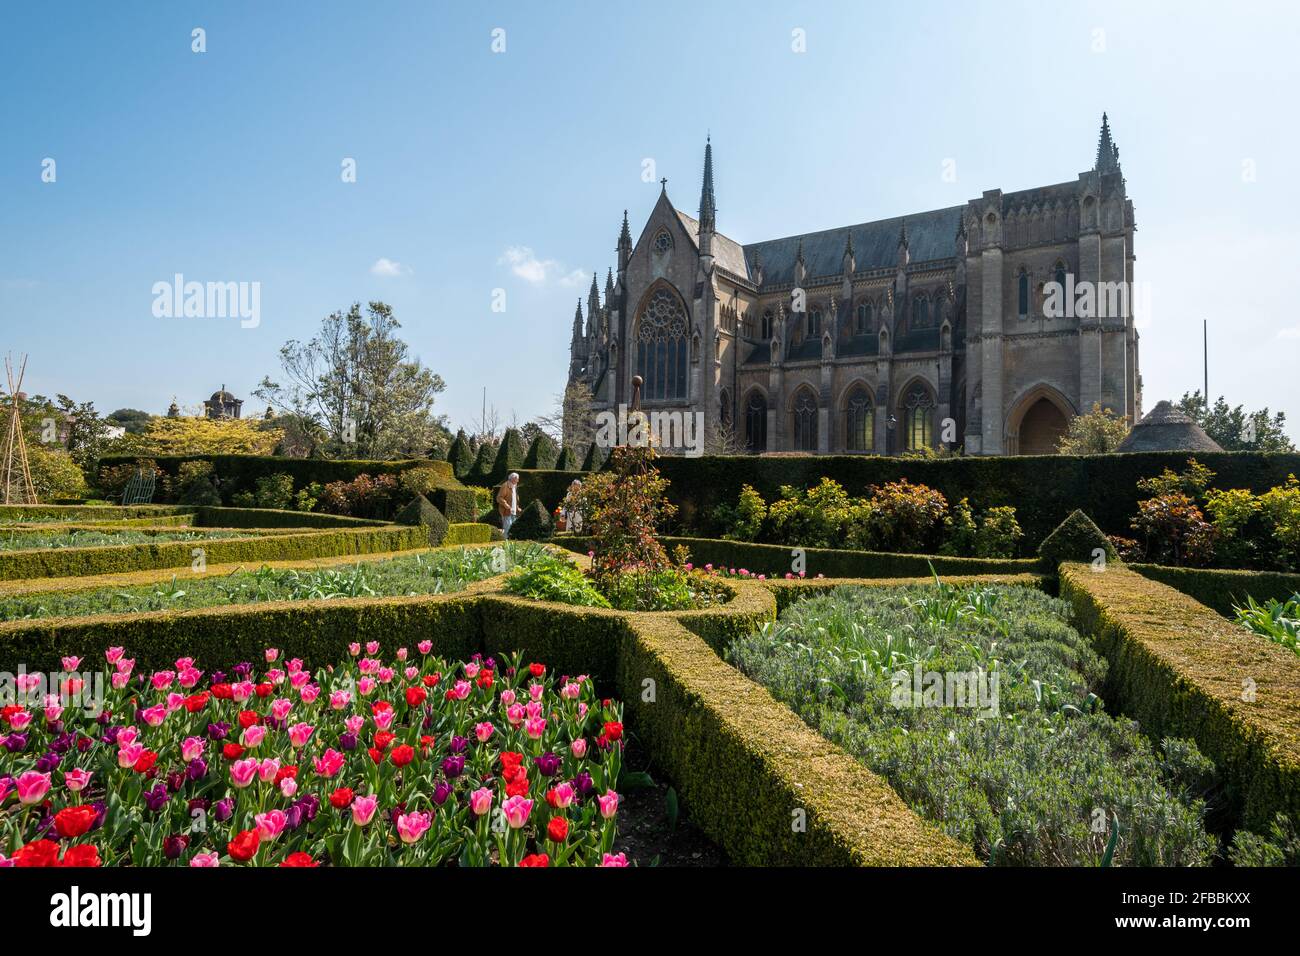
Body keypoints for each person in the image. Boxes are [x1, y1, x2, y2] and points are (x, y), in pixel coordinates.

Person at [496, 472, 522, 539]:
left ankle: (511, 541)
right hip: (506, 511)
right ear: (512, 479)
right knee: (508, 527)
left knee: (513, 527)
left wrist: (517, 507)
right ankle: (505, 541)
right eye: (517, 479)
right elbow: (499, 498)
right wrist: (505, 504)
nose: (518, 480)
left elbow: (514, 499)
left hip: (513, 511)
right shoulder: (505, 486)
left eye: (518, 479)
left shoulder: (514, 486)